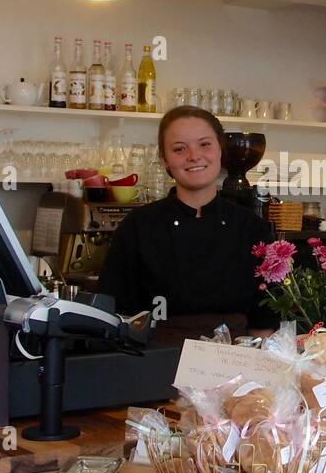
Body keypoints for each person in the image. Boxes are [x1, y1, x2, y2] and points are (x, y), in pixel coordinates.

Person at [97, 106, 278, 339]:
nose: (193, 156)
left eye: (204, 144)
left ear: (220, 151)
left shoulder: (251, 228)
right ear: (165, 160)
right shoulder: (138, 227)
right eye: (179, 149)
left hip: (235, 362)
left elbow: (264, 321)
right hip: (156, 360)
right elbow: (113, 311)